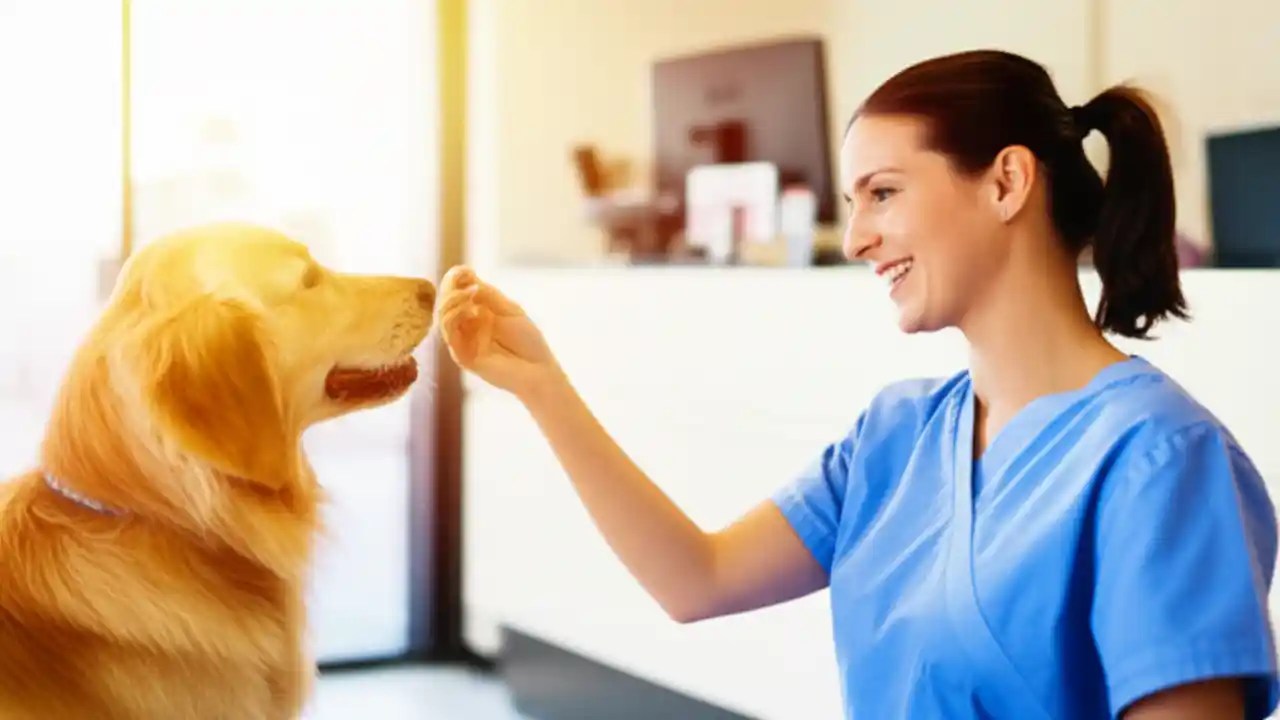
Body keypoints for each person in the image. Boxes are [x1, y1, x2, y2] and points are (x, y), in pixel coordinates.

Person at [436, 49, 1279, 719]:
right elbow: (695, 579)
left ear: (1007, 182)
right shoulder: (898, 435)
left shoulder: (1161, 461)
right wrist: (541, 385)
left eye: (883, 193)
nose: (858, 238)